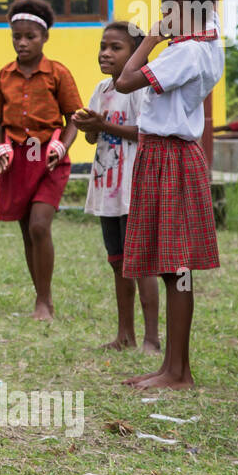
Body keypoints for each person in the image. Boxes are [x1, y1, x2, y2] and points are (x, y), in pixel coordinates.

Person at [114, 0, 224, 390]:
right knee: (169, 263)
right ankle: (171, 367)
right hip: (175, 156)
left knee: (175, 266)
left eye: (166, 9)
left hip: (168, 157)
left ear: (178, 12)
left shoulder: (181, 55)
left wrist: (151, 37)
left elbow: (124, 81)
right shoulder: (209, 38)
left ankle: (179, 371)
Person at [0, 0, 82, 321]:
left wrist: (62, 148)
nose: (22, 43)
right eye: (17, 37)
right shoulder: (3, 76)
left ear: (45, 37)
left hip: (48, 156)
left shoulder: (58, 74)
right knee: (27, 230)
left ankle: (46, 300)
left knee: (40, 225)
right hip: (17, 158)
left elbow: (73, 120)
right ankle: (40, 297)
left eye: (30, 37)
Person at [72, 22, 161, 353]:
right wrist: (89, 129)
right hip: (107, 187)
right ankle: (125, 334)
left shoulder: (141, 90)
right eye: (102, 46)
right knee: (117, 260)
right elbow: (95, 136)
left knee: (141, 263)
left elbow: (146, 133)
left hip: (133, 187)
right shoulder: (102, 89)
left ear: (136, 53)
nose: (105, 53)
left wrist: (103, 124)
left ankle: (151, 338)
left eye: (116, 48)